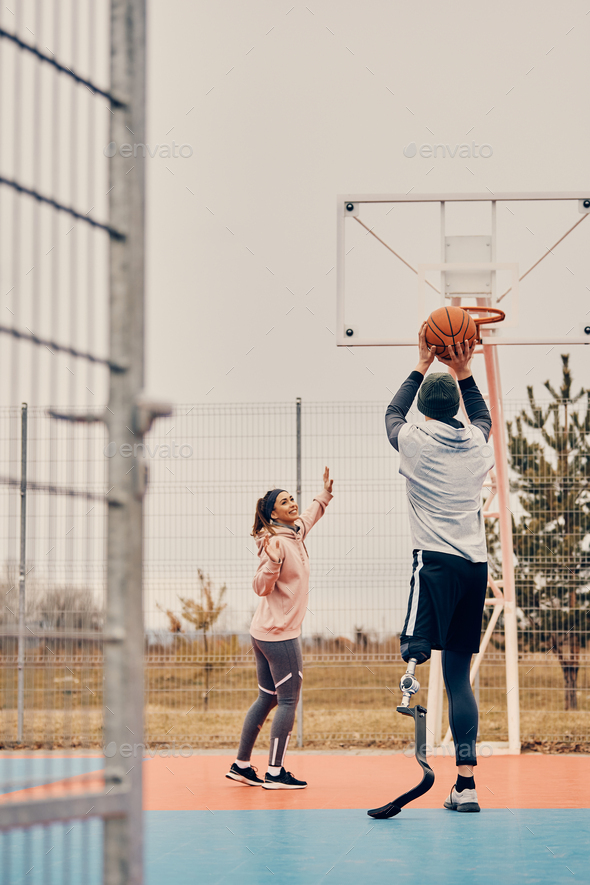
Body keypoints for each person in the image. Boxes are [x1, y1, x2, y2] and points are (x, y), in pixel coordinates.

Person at [385, 323, 494, 813]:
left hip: (434, 563)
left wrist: (422, 361)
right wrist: (464, 370)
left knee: (415, 647)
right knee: (458, 678)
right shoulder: (477, 445)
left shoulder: (413, 439)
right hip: (475, 568)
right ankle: (465, 787)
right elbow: (483, 416)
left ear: (424, 409)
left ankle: (409, 670)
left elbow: (390, 413)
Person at [226, 468, 333, 790]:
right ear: (273, 512)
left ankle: (241, 766)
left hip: (265, 632)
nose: (292, 504)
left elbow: (310, 516)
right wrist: (271, 563)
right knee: (288, 701)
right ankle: (275, 772)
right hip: (279, 635)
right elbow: (260, 586)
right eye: (285, 502)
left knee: (267, 698)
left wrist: (324, 493)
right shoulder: (274, 543)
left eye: (292, 499)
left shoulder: (294, 532)